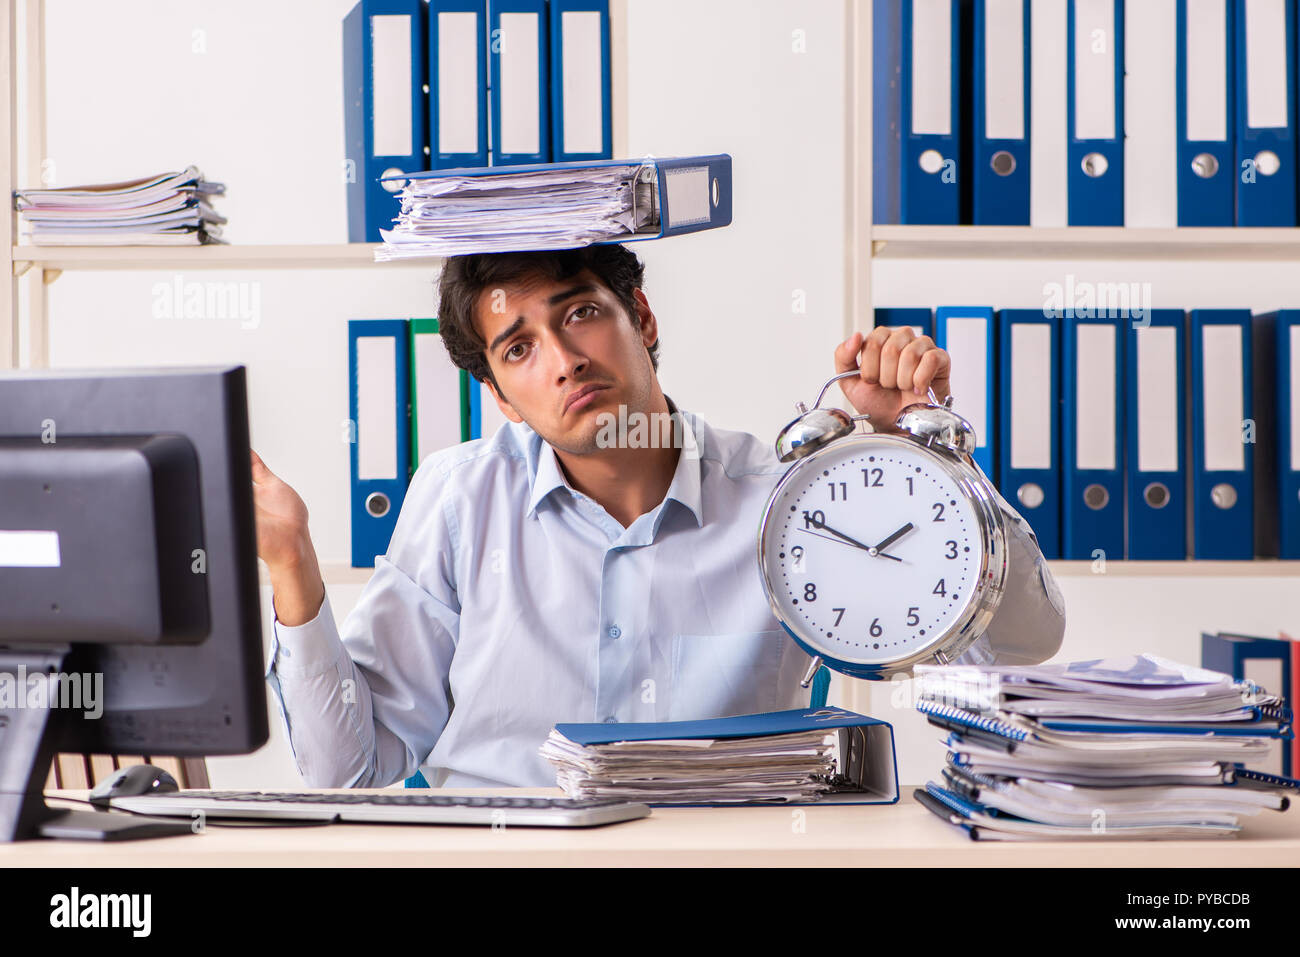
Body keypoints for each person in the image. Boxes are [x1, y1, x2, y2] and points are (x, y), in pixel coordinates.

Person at [254, 244, 1064, 788]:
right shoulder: (459, 500)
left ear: (641, 317)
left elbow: (1020, 643)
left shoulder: (787, 499)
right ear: (499, 399)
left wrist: (927, 454)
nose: (565, 359)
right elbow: (350, 768)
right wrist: (291, 559)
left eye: (579, 314)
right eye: (518, 347)